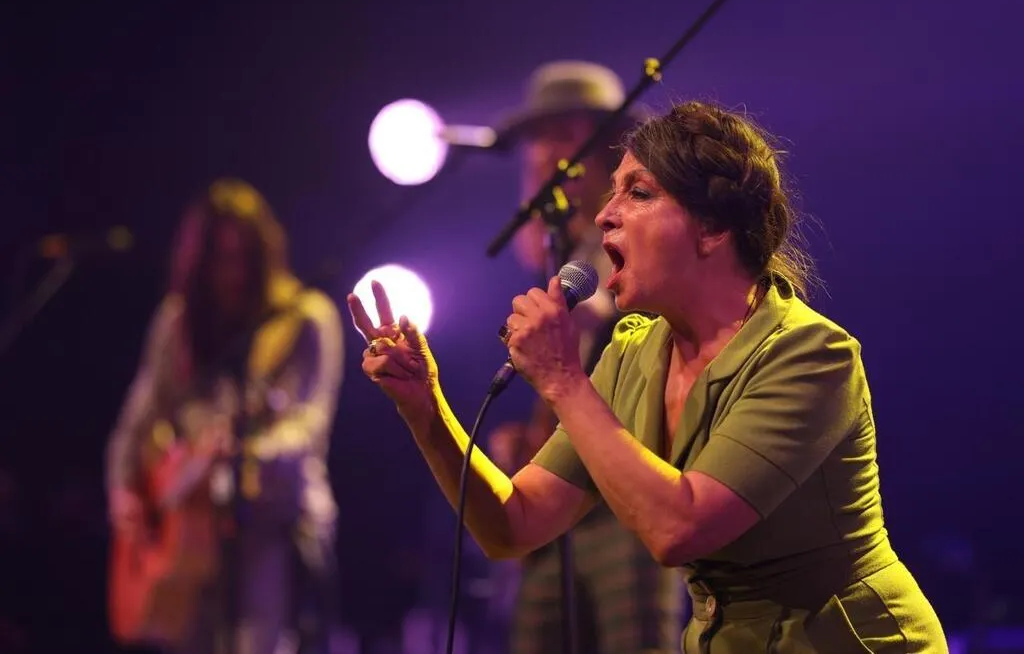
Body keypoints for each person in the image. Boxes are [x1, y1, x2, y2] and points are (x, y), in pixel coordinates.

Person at [347, 101, 948, 652]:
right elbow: (512, 525)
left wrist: (562, 381)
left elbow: (678, 528)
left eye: (638, 192)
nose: (605, 215)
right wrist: (425, 409)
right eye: (613, 192)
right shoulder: (636, 353)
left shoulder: (811, 354)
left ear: (712, 228)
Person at [486, 60, 685, 653]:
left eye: (565, 135)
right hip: (563, 508)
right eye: (540, 139)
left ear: (609, 148)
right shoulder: (564, 253)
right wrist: (528, 440)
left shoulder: (636, 245)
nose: (548, 153)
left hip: (627, 501)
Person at [106, 178, 344, 654]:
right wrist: (124, 492)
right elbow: (136, 421)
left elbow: (307, 427)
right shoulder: (178, 323)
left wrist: (244, 452)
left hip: (272, 524)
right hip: (188, 539)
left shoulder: (304, 319)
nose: (231, 275)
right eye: (219, 258)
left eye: (242, 258)